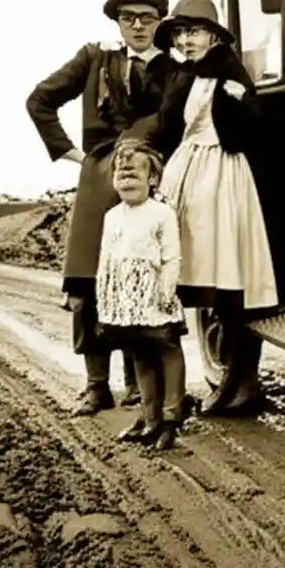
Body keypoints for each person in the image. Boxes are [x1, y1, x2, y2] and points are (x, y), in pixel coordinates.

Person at [26, 0, 180, 416]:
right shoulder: (95, 57)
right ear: (117, 20)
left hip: (150, 182)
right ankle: (96, 386)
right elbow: (39, 100)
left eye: (147, 18)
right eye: (128, 17)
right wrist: (76, 156)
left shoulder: (171, 69)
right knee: (89, 277)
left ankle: (139, 383)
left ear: (159, 22)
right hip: (98, 182)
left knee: (146, 269)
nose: (137, 25)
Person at [149, 0, 279, 417]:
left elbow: (248, 126)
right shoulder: (183, 75)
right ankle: (214, 379)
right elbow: (172, 128)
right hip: (188, 174)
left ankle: (243, 380)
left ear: (213, 36)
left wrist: (232, 98)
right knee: (195, 279)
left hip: (222, 176)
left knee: (229, 276)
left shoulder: (228, 71)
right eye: (181, 32)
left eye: (195, 31)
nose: (187, 40)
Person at [95, 138, 188, 451]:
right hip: (126, 304)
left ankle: (171, 418)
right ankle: (150, 419)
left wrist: (166, 290)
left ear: (152, 179)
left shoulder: (161, 214)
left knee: (166, 350)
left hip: (157, 299)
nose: (125, 176)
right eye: (120, 173)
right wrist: (104, 298)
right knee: (140, 357)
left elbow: (172, 257)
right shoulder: (111, 217)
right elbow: (105, 261)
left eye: (134, 172)